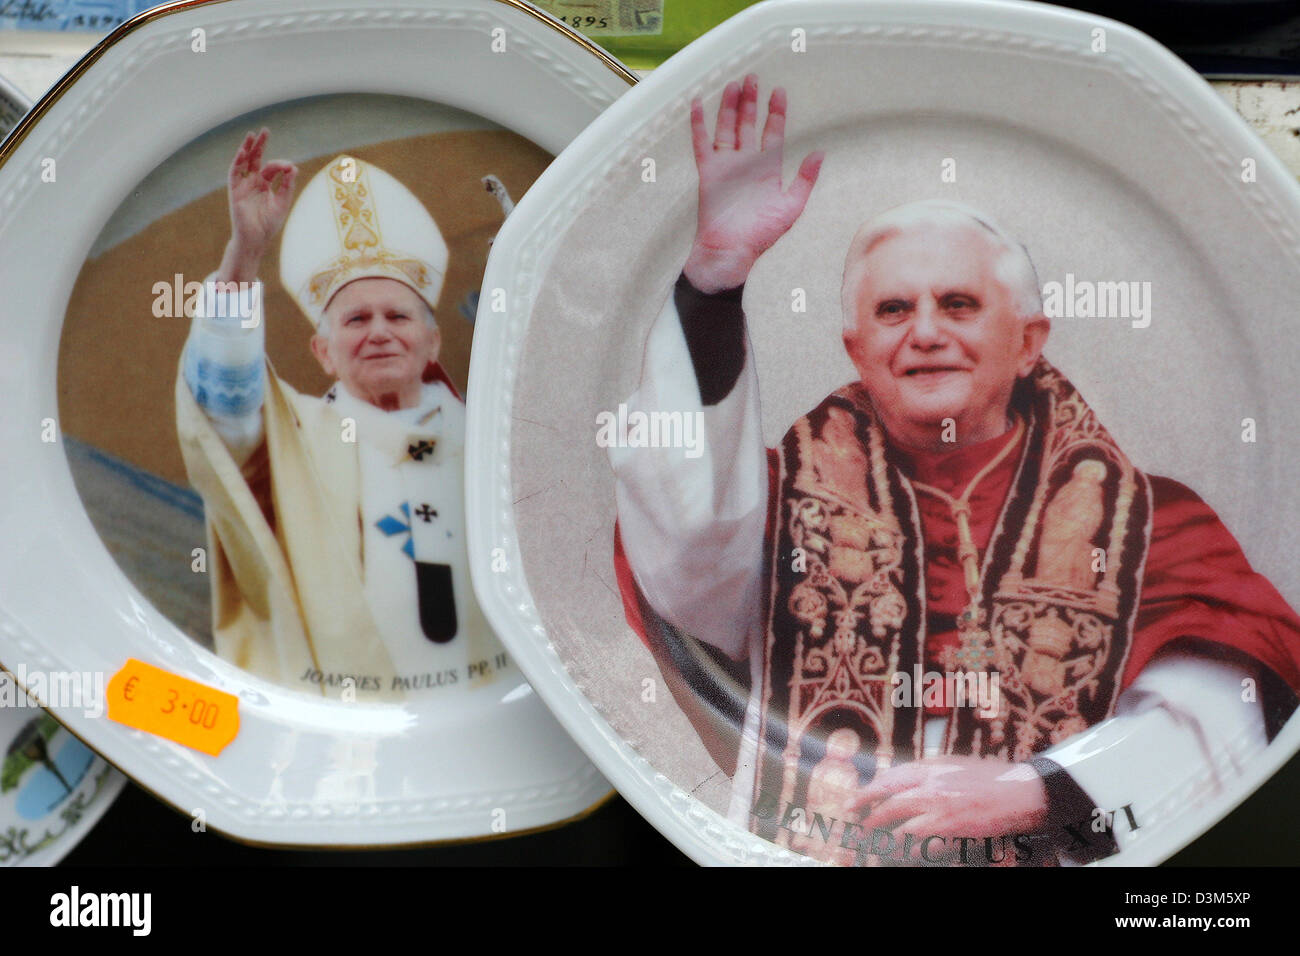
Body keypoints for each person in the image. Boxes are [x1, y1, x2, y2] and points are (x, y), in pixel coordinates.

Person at [610, 75, 1300, 865]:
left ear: (1031, 339)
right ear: (856, 349)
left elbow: (1221, 702)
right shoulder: (774, 506)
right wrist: (714, 282)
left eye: (961, 304)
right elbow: (684, 550)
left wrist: (1044, 791)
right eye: (894, 310)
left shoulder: (1150, 523)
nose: (926, 332)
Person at [176, 129, 497, 701]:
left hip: (498, 711)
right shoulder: (293, 442)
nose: (378, 332)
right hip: (347, 724)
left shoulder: (496, 438)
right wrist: (244, 254)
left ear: (432, 342)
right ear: (322, 353)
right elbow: (220, 408)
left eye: (398, 317)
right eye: (354, 320)